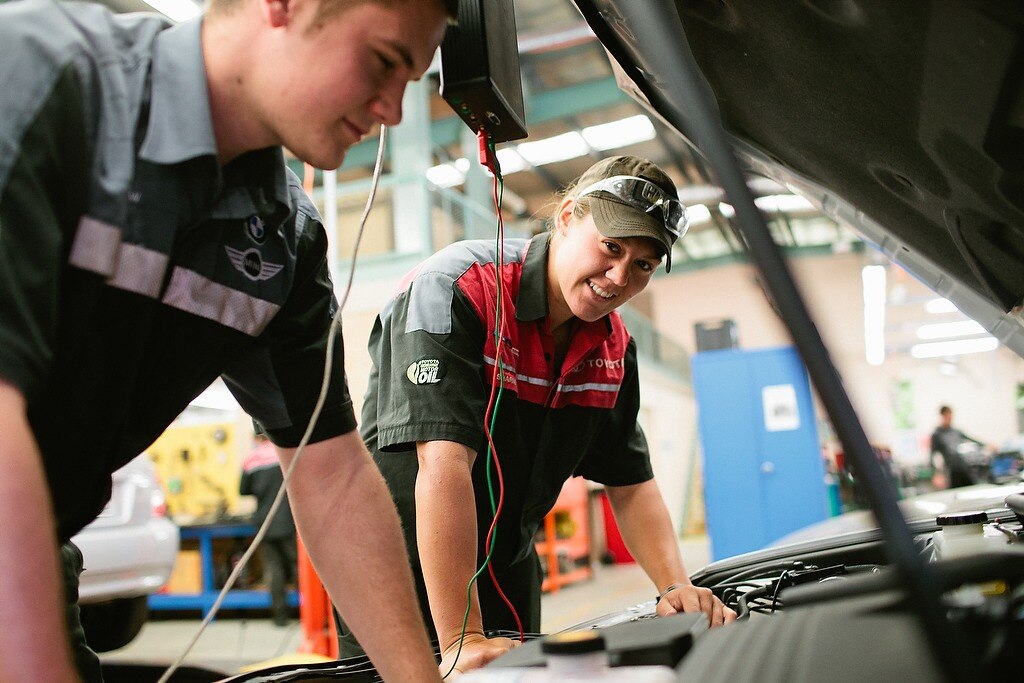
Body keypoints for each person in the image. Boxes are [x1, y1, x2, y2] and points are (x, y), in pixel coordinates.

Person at [0, 0, 453, 680]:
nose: (391, 108)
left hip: (34, 556)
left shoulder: (284, 241)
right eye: (384, 62)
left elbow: (329, 473)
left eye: (409, 81)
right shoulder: (46, 79)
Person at [339, 155, 737, 674]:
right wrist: (463, 634)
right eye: (611, 247)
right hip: (399, 566)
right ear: (568, 216)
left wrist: (675, 587)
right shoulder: (459, 289)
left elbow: (630, 483)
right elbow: (443, 466)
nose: (618, 278)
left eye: (642, 264)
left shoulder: (614, 348)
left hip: (509, 570)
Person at [240, 432, 298, 626]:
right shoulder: (283, 453)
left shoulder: (250, 460)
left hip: (265, 522)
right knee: (297, 566)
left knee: (274, 569)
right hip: (289, 521)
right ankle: (306, 614)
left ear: (257, 438)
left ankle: (280, 618)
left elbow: (242, 490)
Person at [930, 405, 988, 488]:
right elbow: (932, 454)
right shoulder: (937, 434)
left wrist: (986, 445)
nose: (949, 419)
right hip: (951, 471)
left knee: (972, 488)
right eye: (947, 417)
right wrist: (936, 474)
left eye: (951, 417)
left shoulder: (956, 432)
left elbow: (971, 438)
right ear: (942, 416)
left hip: (962, 467)